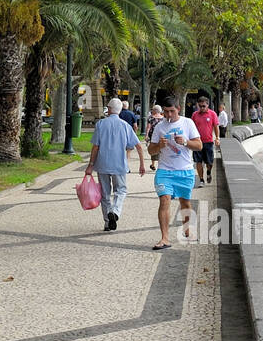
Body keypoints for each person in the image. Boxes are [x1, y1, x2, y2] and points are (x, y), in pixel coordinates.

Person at [82, 97, 145, 232]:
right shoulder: (125, 126)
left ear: (109, 109)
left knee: (105, 193)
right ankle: (115, 212)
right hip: (119, 165)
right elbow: (138, 146)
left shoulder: (100, 124)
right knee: (121, 191)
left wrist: (90, 165)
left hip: (102, 164)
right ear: (120, 110)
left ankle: (107, 222)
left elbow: (95, 147)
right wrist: (141, 164)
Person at [148, 100, 202, 250]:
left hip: (185, 170)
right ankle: (165, 238)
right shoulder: (159, 126)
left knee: (185, 203)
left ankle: (187, 230)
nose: (168, 114)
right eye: (166, 111)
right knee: (164, 200)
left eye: (172, 111)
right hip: (165, 171)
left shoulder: (188, 123)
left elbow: (199, 145)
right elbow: (151, 151)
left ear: (178, 109)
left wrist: (185, 142)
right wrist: (159, 145)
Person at [190, 96, 220, 186]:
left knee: (209, 162)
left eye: (203, 106)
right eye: (200, 106)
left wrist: (217, 138)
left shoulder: (212, 114)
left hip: (208, 142)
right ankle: (201, 179)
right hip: (197, 142)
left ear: (207, 105)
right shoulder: (195, 115)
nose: (202, 108)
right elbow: (191, 128)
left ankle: (208, 172)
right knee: (198, 161)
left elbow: (216, 126)